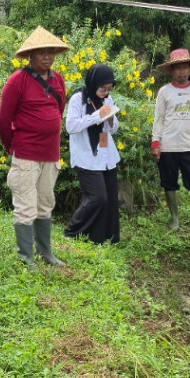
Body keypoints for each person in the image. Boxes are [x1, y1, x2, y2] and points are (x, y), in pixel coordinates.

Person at [0, 26, 70, 266]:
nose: (47, 57)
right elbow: (3, 121)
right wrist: (13, 146)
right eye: (41, 52)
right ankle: (25, 257)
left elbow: (59, 111)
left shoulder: (58, 79)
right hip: (26, 153)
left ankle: (45, 252)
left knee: (46, 202)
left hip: (50, 154)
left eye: (50, 52)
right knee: (25, 205)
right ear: (30, 55)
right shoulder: (17, 81)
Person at [151, 48, 190, 232]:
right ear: (171, 70)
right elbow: (159, 118)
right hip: (168, 146)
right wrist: (156, 142)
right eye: (177, 68)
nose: (181, 71)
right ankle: (174, 218)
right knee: (169, 181)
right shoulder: (164, 92)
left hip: (189, 145)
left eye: (185, 67)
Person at [63, 63, 122, 244]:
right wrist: (97, 116)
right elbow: (71, 126)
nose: (105, 92)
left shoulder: (107, 100)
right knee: (98, 197)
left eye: (109, 89)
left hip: (106, 154)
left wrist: (111, 118)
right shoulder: (78, 99)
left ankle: (102, 237)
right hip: (86, 156)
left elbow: (112, 130)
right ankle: (71, 230)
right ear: (92, 82)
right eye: (102, 88)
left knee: (110, 198)